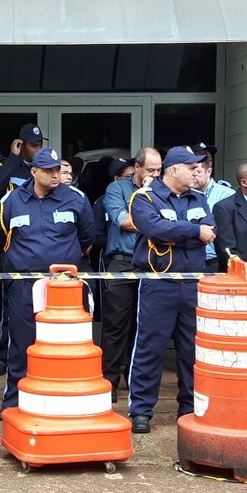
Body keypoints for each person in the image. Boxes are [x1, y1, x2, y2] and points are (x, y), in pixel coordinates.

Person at [0, 147, 95, 420]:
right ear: (33, 171)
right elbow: (4, 239)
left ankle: (64, 399)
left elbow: (87, 238)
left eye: (57, 170)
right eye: (49, 170)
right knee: (21, 345)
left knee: (64, 343)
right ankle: (13, 401)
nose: (55, 175)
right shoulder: (10, 201)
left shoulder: (76, 199)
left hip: (64, 285)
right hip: (25, 283)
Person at [127, 146, 215, 434]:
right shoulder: (145, 198)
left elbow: (210, 232)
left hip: (193, 283)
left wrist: (179, 233)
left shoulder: (200, 199)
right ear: (174, 170)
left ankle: (188, 408)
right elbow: (154, 229)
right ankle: (141, 410)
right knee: (149, 348)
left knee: (191, 350)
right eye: (191, 168)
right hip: (158, 284)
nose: (197, 172)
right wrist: (192, 232)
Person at [99, 149, 162, 403]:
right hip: (122, 262)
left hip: (152, 263)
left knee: (144, 327)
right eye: (150, 170)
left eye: (159, 170)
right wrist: (150, 213)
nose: (156, 175)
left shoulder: (163, 190)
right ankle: (109, 381)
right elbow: (123, 220)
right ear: (137, 167)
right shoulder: (117, 189)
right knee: (115, 326)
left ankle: (136, 382)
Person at [0, 123, 46, 377]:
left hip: (40, 248)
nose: (37, 149)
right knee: (10, 304)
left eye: (40, 145)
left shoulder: (45, 170)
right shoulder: (9, 165)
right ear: (21, 145)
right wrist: (12, 157)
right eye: (32, 145)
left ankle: (37, 355)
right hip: (14, 246)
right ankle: (5, 356)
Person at [191, 143, 235, 272]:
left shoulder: (226, 194)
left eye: (197, 171)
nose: (193, 175)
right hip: (189, 261)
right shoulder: (182, 195)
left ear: (208, 171)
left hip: (216, 262)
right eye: (190, 171)